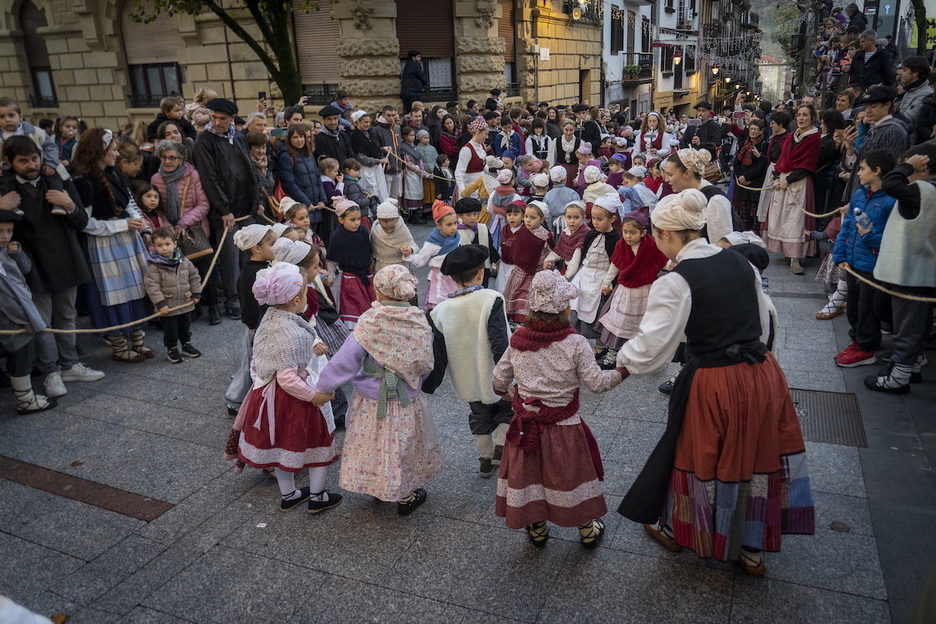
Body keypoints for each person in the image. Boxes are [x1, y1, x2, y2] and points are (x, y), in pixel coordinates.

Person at [616, 188, 815, 576]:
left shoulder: (675, 280)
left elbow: (652, 350)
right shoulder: (740, 263)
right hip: (762, 372)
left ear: (666, 234)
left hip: (714, 380)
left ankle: (685, 530)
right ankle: (751, 550)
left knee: (699, 453)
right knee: (757, 453)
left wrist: (619, 363)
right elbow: (762, 321)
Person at [493, 270, 626, 548]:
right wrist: (624, 371)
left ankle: (537, 527)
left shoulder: (517, 340)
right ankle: (586, 529)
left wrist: (513, 396)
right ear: (564, 308)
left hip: (525, 426)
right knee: (569, 475)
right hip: (564, 428)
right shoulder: (575, 343)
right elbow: (597, 383)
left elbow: (498, 379)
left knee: (532, 476)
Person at [317, 265, 441, 513]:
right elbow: (427, 362)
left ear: (380, 292)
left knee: (373, 445)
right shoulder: (418, 320)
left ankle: (378, 485)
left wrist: (323, 387)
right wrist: (416, 382)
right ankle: (403, 492)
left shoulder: (370, 322)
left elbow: (346, 359)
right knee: (401, 445)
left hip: (373, 399)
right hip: (406, 398)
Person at [0, 136, 103, 398]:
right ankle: (51, 372)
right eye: (23, 161)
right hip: (31, 264)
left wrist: (68, 204)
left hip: (66, 256)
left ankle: (70, 364)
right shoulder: (5, 187)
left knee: (67, 316)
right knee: (42, 321)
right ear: (10, 162)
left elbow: (81, 220)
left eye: (34, 158)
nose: (31, 165)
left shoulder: (56, 178)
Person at [235, 262, 341, 513]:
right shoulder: (288, 332)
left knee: (282, 448)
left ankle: (290, 494)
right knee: (316, 444)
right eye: (305, 292)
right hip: (291, 401)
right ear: (295, 300)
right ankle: (317, 496)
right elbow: (287, 378)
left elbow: (261, 361)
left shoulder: (270, 318)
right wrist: (315, 396)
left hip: (267, 396)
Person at [424, 245, 513, 478]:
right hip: (495, 373)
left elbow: (439, 353)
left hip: (466, 377)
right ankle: (501, 448)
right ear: (481, 273)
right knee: (509, 410)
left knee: (480, 417)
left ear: (452, 278)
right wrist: (508, 377)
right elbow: (499, 342)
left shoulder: (440, 311)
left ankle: (485, 460)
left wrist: (429, 384)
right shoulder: (491, 299)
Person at [71, 128, 154, 364]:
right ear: (99, 152)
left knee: (135, 289)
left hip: (128, 240)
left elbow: (129, 203)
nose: (117, 154)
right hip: (103, 245)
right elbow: (86, 224)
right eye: (114, 149)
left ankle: (137, 340)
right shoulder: (84, 182)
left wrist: (143, 227)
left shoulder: (115, 174)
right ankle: (119, 346)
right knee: (113, 295)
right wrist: (123, 225)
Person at [867, 144, 936, 393]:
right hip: (924, 271)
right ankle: (913, 366)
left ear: (923, 168)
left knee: (907, 326)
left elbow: (890, 183)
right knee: (919, 322)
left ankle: (899, 377)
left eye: (910, 168)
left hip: (909, 271)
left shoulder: (921, 190)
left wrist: (908, 166)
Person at [192, 98, 259, 320]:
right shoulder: (203, 141)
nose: (217, 122)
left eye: (222, 118)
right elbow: (209, 177)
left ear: (231, 119)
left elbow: (250, 169)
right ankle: (233, 299)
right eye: (214, 117)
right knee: (230, 259)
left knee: (249, 255)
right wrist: (223, 209)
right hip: (225, 212)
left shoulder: (238, 136)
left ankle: (250, 293)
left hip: (246, 208)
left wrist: (255, 199)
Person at [832, 149, 896, 368]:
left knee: (868, 308)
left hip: (872, 264)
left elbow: (892, 238)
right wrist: (840, 254)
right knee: (855, 307)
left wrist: (870, 236)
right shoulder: (859, 194)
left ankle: (865, 348)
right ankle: (859, 340)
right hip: (852, 261)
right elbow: (848, 225)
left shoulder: (891, 201)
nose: (858, 173)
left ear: (877, 171)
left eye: (862, 168)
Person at [149, 139, 221, 325]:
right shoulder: (156, 179)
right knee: (181, 273)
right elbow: (158, 208)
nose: (168, 161)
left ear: (181, 159)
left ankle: (213, 307)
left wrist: (183, 222)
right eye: (164, 157)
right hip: (170, 235)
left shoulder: (192, 175)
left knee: (204, 271)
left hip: (194, 231)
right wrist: (167, 228)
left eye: (173, 157)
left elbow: (203, 204)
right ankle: (192, 309)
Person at [595, 211, 669, 369]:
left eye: (632, 232)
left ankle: (646, 357)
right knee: (619, 321)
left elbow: (661, 262)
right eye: (625, 232)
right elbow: (615, 265)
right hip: (625, 291)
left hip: (645, 292)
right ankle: (612, 356)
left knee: (644, 323)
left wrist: (673, 265)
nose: (628, 236)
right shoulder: (621, 245)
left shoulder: (652, 246)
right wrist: (606, 283)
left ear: (643, 232)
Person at [0, 209, 54, 413]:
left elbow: (26, 269)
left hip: (22, 311)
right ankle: (24, 400)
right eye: (1, 231)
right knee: (19, 356)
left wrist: (17, 253)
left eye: (9, 230)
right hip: (12, 317)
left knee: (24, 355)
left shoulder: (7, 251)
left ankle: (27, 396)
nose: (5, 236)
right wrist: (25, 319)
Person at [225, 224, 275, 415]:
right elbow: (254, 306)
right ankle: (236, 400)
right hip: (257, 327)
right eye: (271, 243)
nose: (275, 247)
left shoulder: (255, 268)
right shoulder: (255, 273)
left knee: (249, 364)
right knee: (251, 365)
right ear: (257, 248)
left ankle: (239, 398)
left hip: (256, 326)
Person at [567, 194, 621, 355]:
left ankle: (599, 344)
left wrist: (609, 283)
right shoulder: (591, 234)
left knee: (597, 312)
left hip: (601, 278)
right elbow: (582, 255)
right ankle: (574, 341)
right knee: (574, 307)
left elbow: (615, 263)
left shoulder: (615, 239)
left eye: (600, 219)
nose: (595, 223)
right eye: (594, 219)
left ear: (612, 219)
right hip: (584, 275)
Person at [144, 227, 202, 363]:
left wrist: (196, 293)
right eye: (159, 245)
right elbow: (152, 286)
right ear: (154, 247)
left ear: (175, 244)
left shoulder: (184, 262)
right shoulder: (154, 267)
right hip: (168, 306)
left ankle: (186, 344)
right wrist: (160, 304)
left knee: (185, 326)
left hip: (185, 301)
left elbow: (194, 277)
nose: (164, 248)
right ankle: (172, 348)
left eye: (167, 244)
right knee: (170, 330)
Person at [502, 201, 554, 324]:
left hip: (537, 271)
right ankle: (515, 318)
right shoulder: (523, 231)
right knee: (517, 291)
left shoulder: (545, 235)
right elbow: (514, 246)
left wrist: (549, 262)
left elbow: (552, 251)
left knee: (529, 295)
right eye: (526, 216)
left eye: (533, 217)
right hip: (520, 270)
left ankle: (528, 319)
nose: (528, 220)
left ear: (542, 219)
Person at [402, 200, 460, 310]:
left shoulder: (457, 236)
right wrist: (409, 254)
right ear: (439, 225)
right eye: (449, 224)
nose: (453, 227)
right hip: (439, 278)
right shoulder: (432, 242)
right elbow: (420, 261)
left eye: (455, 223)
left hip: (455, 277)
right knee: (437, 307)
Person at [278, 124, 330, 242]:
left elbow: (317, 178)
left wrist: (322, 199)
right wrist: (307, 203)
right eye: (295, 137)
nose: (300, 140)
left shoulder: (309, 154)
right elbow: (289, 184)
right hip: (301, 207)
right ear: (289, 139)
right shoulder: (286, 157)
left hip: (315, 204)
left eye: (301, 137)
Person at [0, 97, 65, 180]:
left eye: (11, 115)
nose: (7, 120)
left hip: (39, 170)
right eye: (2, 117)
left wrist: (50, 163)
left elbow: (50, 147)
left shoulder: (35, 132)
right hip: (11, 175)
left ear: (20, 117)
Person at [732, 119, 769, 233]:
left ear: (761, 131)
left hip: (755, 182)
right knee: (744, 211)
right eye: (751, 128)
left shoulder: (763, 144)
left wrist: (747, 177)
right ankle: (744, 231)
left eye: (755, 129)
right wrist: (740, 176)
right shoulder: (744, 143)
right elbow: (736, 161)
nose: (752, 131)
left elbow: (761, 165)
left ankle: (755, 234)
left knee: (755, 210)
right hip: (742, 181)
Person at [348, 110, 390, 202]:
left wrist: (382, 149)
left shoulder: (370, 132)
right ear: (358, 122)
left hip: (375, 168)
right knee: (371, 190)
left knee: (381, 190)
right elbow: (361, 157)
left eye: (369, 122)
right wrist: (379, 161)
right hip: (366, 169)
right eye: (365, 122)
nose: (367, 124)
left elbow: (372, 148)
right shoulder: (355, 137)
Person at [454, 197, 498, 285]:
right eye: (468, 215)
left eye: (475, 214)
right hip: (465, 273)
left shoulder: (482, 228)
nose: (472, 218)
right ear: (459, 215)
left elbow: (489, 246)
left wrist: (495, 261)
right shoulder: (456, 232)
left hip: (483, 270)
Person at [371, 198, 417, 273]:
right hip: (382, 269)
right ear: (379, 222)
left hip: (401, 268)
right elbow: (372, 252)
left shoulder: (402, 229)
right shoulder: (375, 232)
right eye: (385, 228)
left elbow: (414, 246)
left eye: (392, 227)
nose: (389, 231)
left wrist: (409, 250)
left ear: (397, 220)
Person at [543, 201, 589, 274]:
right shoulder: (566, 232)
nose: (572, 221)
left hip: (579, 270)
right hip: (566, 266)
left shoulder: (584, 233)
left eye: (576, 217)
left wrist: (567, 276)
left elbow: (576, 258)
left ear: (583, 217)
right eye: (569, 217)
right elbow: (559, 250)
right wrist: (548, 260)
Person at [454, 116, 490, 200]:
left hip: (481, 188)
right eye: (486, 134)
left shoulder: (481, 146)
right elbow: (459, 172)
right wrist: (463, 191)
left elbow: (484, 166)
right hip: (470, 190)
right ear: (478, 132)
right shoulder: (467, 149)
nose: (487, 137)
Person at [494, 200, 526, 293]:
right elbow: (502, 245)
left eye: (515, 215)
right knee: (503, 285)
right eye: (509, 215)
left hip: (518, 264)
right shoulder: (505, 229)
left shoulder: (525, 230)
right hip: (505, 262)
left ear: (523, 216)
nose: (512, 218)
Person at [895, 56, 933, 133]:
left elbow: (908, 119)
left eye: (904, 70)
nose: (900, 73)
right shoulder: (912, 89)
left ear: (915, 73)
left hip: (910, 139)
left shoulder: (925, 94)